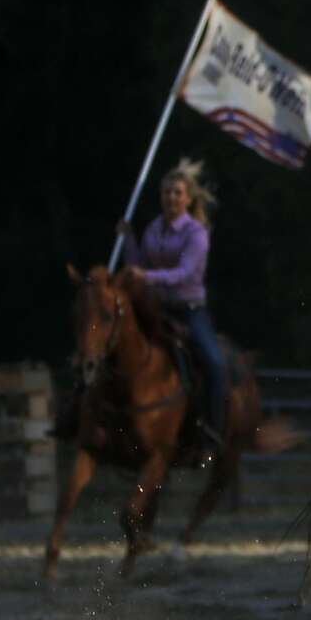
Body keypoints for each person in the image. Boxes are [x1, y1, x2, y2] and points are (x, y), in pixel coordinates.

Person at [119, 158, 227, 460]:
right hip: (155, 306)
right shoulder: (154, 227)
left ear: (188, 198)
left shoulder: (196, 234)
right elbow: (138, 264)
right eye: (167, 192)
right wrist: (128, 238)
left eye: (177, 193)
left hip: (187, 309)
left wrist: (146, 276)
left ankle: (212, 432)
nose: (171, 198)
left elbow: (184, 274)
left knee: (213, 363)